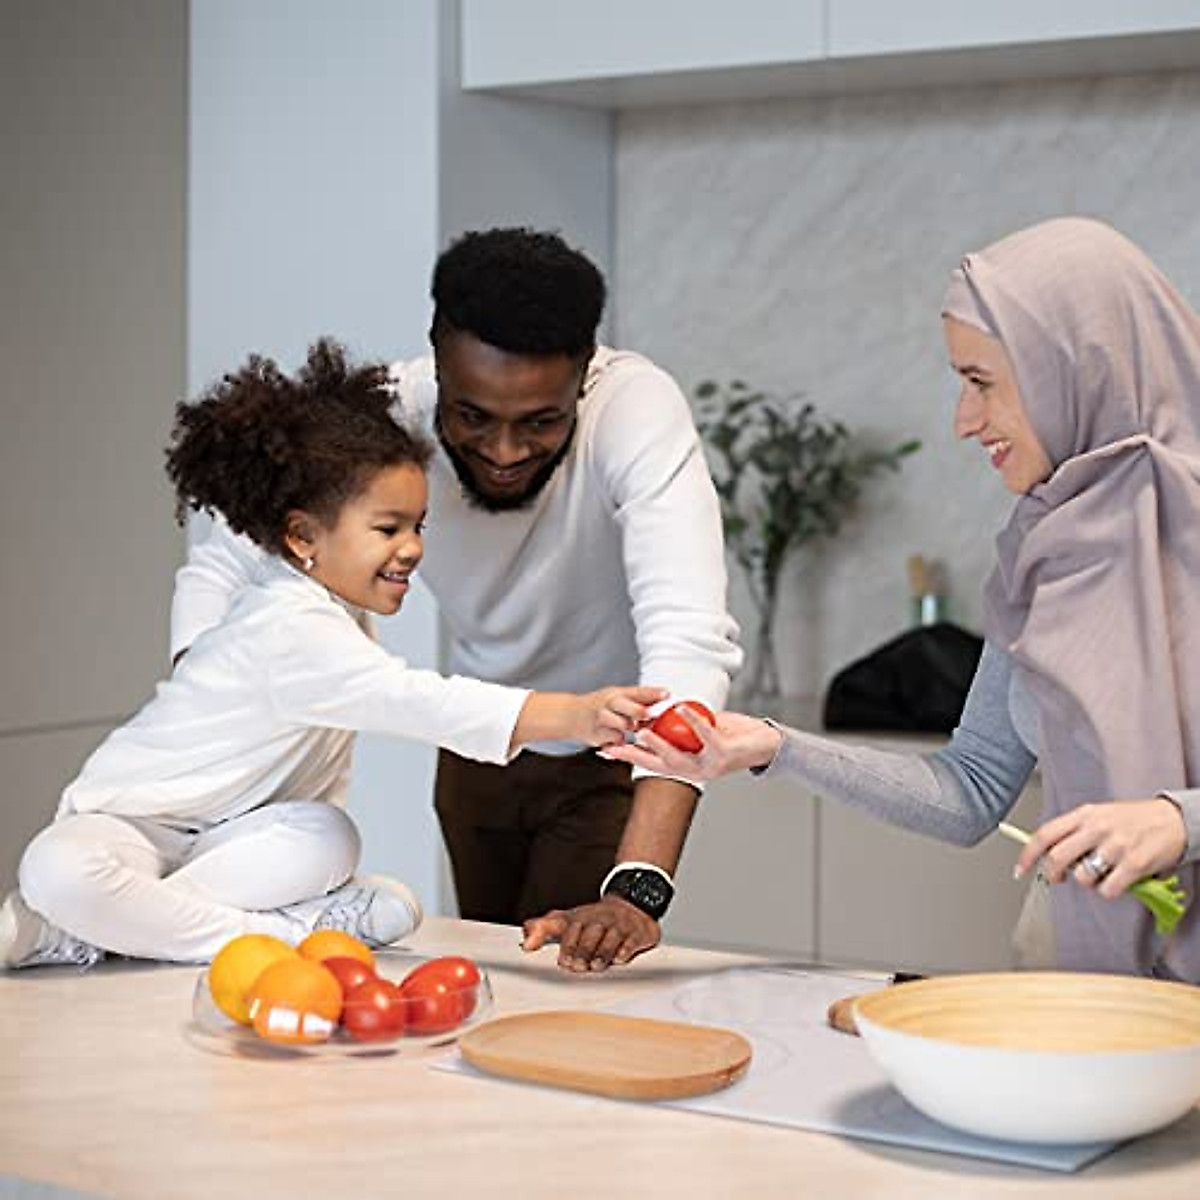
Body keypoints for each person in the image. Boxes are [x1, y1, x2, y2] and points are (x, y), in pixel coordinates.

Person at [605, 217, 1200, 983]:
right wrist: (774, 747)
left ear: (1073, 370)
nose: (963, 420)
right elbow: (971, 791)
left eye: (982, 381)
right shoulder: (1040, 548)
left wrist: (1176, 819)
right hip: (1081, 973)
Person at [169, 229, 743, 973]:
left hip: (616, 751)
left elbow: (688, 642)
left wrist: (637, 889)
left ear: (583, 378)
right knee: (497, 978)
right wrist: (198, 705)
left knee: (565, 991)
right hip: (479, 748)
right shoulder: (389, 411)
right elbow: (226, 553)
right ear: (436, 358)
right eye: (473, 417)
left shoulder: (634, 409)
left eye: (540, 421)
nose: (504, 452)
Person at [0, 341, 663, 971]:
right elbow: (418, 701)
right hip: (133, 830)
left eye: (417, 527)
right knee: (58, 868)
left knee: (326, 836)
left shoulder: (331, 610)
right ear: (301, 536)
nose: (412, 549)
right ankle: (279, 935)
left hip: (230, 841)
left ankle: (100, 929)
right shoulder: (290, 626)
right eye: (388, 529)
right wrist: (574, 713)